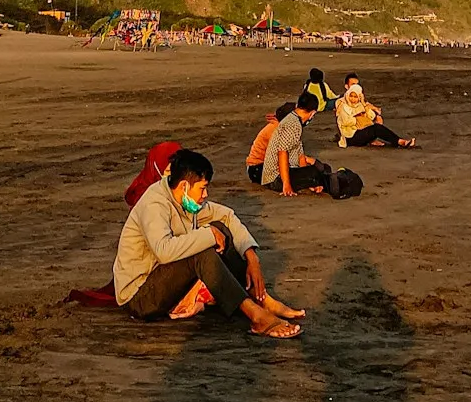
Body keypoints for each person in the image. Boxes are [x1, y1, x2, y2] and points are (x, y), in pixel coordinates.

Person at [114, 148, 303, 337]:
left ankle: (261, 299)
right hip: (139, 297)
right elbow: (163, 251)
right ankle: (256, 316)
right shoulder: (155, 205)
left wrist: (251, 256)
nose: (205, 194)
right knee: (202, 250)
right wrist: (208, 235)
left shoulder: (184, 199)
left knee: (220, 229)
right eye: (202, 188)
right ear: (184, 186)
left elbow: (226, 217)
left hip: (162, 280)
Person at [262, 93, 332, 195]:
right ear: (312, 113)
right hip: (275, 178)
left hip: (282, 174)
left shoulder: (294, 120)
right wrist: (286, 185)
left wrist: (308, 179)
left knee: (319, 171)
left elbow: (300, 156)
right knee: (320, 172)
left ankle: (317, 184)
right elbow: (282, 153)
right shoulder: (293, 124)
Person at [336, 76, 417, 147]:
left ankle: (398, 141)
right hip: (350, 136)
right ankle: (400, 142)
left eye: (355, 97)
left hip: (360, 132)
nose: (353, 99)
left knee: (377, 126)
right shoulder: (344, 106)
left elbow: (371, 116)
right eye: (351, 96)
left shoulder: (360, 105)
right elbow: (346, 121)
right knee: (376, 128)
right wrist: (358, 118)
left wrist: (364, 104)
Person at [246, 104, 295, 184]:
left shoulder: (278, 126)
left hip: (258, 168)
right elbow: (283, 154)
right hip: (258, 169)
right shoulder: (277, 130)